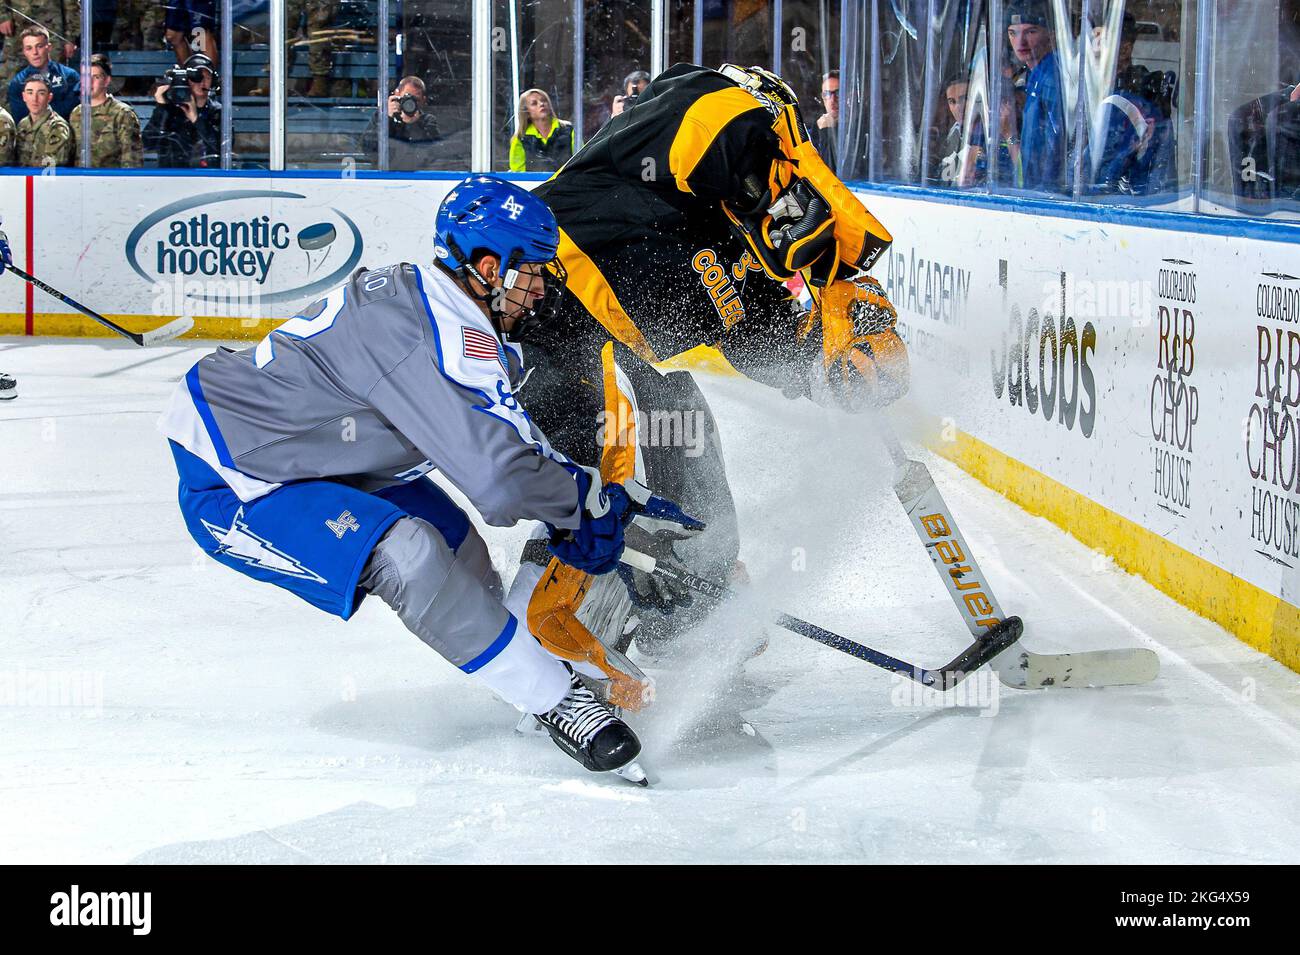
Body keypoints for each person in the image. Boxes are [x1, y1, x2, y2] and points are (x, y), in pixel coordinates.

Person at [157, 176, 700, 781]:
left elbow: (505, 436)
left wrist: (600, 497)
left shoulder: (439, 308)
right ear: (491, 267)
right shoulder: (432, 334)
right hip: (237, 473)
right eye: (535, 272)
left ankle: (528, 672)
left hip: (330, 455)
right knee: (413, 558)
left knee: (460, 556)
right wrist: (581, 505)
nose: (543, 289)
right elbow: (499, 481)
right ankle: (559, 703)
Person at [503, 63, 905, 703]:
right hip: (551, 316)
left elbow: (761, 340)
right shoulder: (700, 120)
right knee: (600, 480)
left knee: (688, 450)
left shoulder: (730, 242)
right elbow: (725, 120)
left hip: (621, 348)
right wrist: (820, 239)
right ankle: (540, 651)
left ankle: (686, 614)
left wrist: (835, 367)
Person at [1006, 0, 1066, 193]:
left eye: (1031, 32)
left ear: (1051, 35)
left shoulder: (1051, 78)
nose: (1020, 42)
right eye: (1013, 33)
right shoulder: (1035, 74)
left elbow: (1055, 150)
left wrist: (1009, 135)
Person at [142, 52, 221, 168]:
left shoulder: (218, 111)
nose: (202, 82)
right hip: (172, 176)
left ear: (213, 81)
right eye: (197, 78)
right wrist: (161, 107)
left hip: (206, 177)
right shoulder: (170, 110)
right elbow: (148, 144)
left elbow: (220, 147)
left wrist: (196, 119)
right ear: (186, 80)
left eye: (207, 77)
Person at [70, 53, 143, 168]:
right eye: (85, 76)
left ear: (107, 80)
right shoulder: (76, 113)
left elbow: (132, 162)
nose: (89, 82)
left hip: (111, 181)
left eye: (96, 77)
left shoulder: (122, 114)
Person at [360, 75, 442, 171]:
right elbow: (368, 149)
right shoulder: (382, 117)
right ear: (396, 96)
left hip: (418, 175)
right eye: (406, 99)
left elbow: (433, 151)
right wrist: (388, 119)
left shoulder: (428, 121)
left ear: (423, 101)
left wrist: (414, 124)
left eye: (416, 100)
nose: (411, 104)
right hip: (386, 174)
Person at [7, 25, 80, 123]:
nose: (35, 53)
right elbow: (20, 118)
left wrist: (38, 111)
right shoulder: (18, 83)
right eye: (29, 48)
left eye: (39, 46)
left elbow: (75, 111)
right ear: (24, 52)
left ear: (49, 48)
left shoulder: (69, 76)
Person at [508, 88, 574, 173]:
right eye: (534, 103)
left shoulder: (568, 130)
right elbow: (517, 173)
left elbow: (582, 160)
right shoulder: (520, 138)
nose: (541, 104)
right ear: (527, 112)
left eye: (544, 100)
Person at [16, 74, 72, 166]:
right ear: (24, 97)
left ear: (49, 97)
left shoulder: (57, 127)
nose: (35, 99)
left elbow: (52, 167)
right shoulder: (23, 124)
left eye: (41, 93)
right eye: (30, 93)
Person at [811, 70, 838, 170]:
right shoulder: (818, 125)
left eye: (837, 93)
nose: (832, 99)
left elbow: (832, 169)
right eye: (826, 94)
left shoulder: (855, 128)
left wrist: (827, 131)